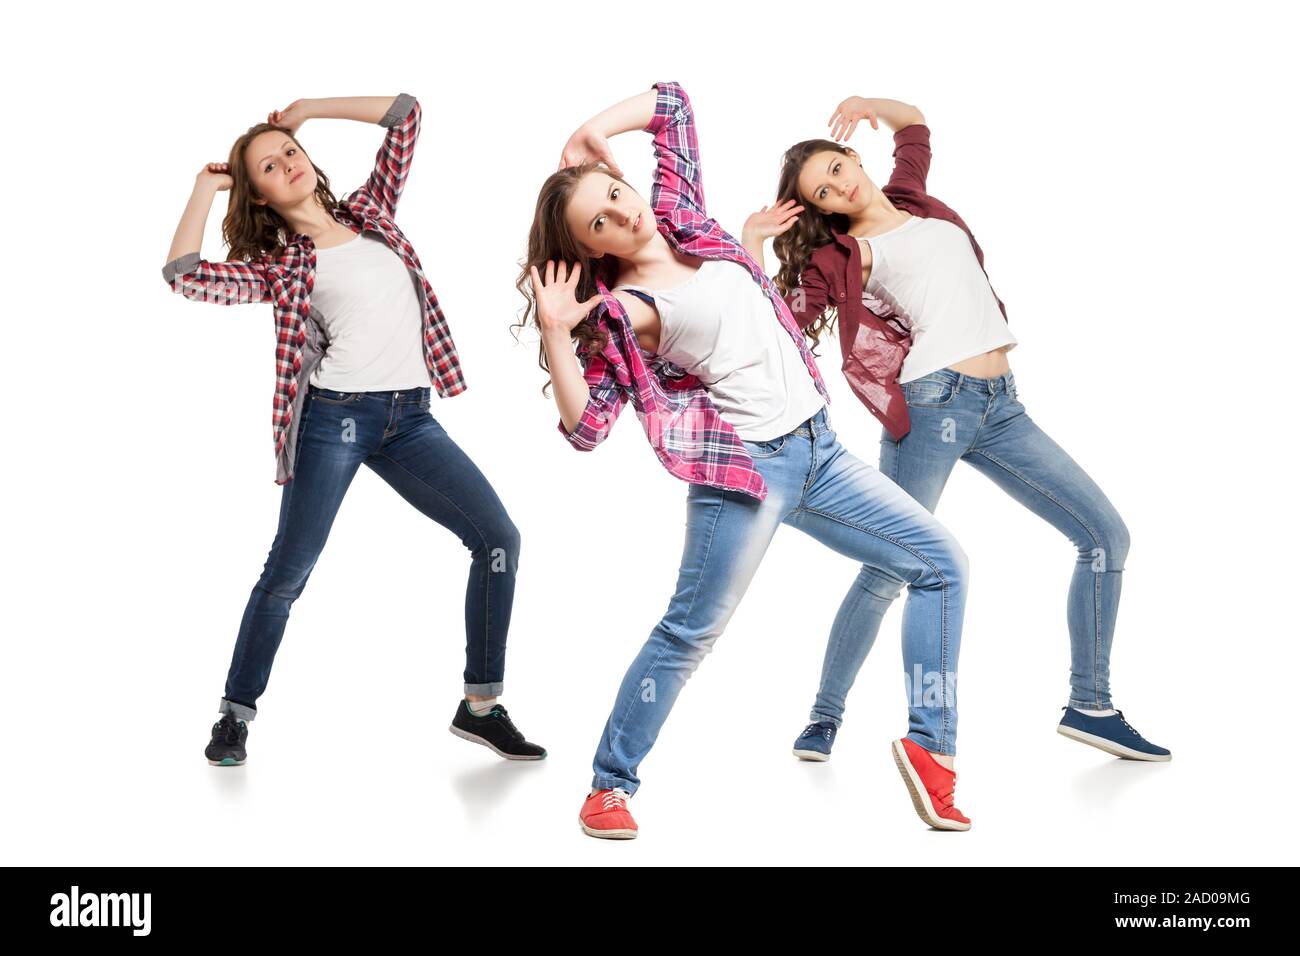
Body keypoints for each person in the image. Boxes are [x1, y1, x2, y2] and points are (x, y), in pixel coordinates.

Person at [518, 82, 974, 836]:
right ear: (590, 247)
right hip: (749, 476)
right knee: (690, 632)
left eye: (614, 192)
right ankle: (608, 786)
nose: (623, 212)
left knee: (941, 564)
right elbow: (584, 428)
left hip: (821, 453)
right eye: (599, 220)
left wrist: (586, 131)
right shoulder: (624, 310)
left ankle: (932, 751)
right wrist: (558, 332)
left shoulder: (687, 222)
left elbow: (670, 106)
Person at [762, 94, 1168, 764]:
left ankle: (1091, 704)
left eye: (837, 168)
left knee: (1104, 535)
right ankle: (824, 716)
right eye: (823, 191)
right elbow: (785, 322)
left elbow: (914, 125)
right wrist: (753, 247)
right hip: (932, 408)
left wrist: (869, 103)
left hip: (1003, 406)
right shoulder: (843, 253)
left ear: (852, 157)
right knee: (892, 566)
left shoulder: (914, 200)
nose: (839, 186)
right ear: (822, 211)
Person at [161, 92, 544, 766]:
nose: (288, 165)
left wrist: (308, 108)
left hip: (411, 419)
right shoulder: (283, 264)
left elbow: (408, 114)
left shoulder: (372, 214)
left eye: (290, 154)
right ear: (258, 196)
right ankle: (234, 717)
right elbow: (185, 277)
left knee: (497, 540)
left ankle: (480, 706)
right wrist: (204, 187)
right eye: (270, 169)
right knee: (288, 572)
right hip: (335, 420)